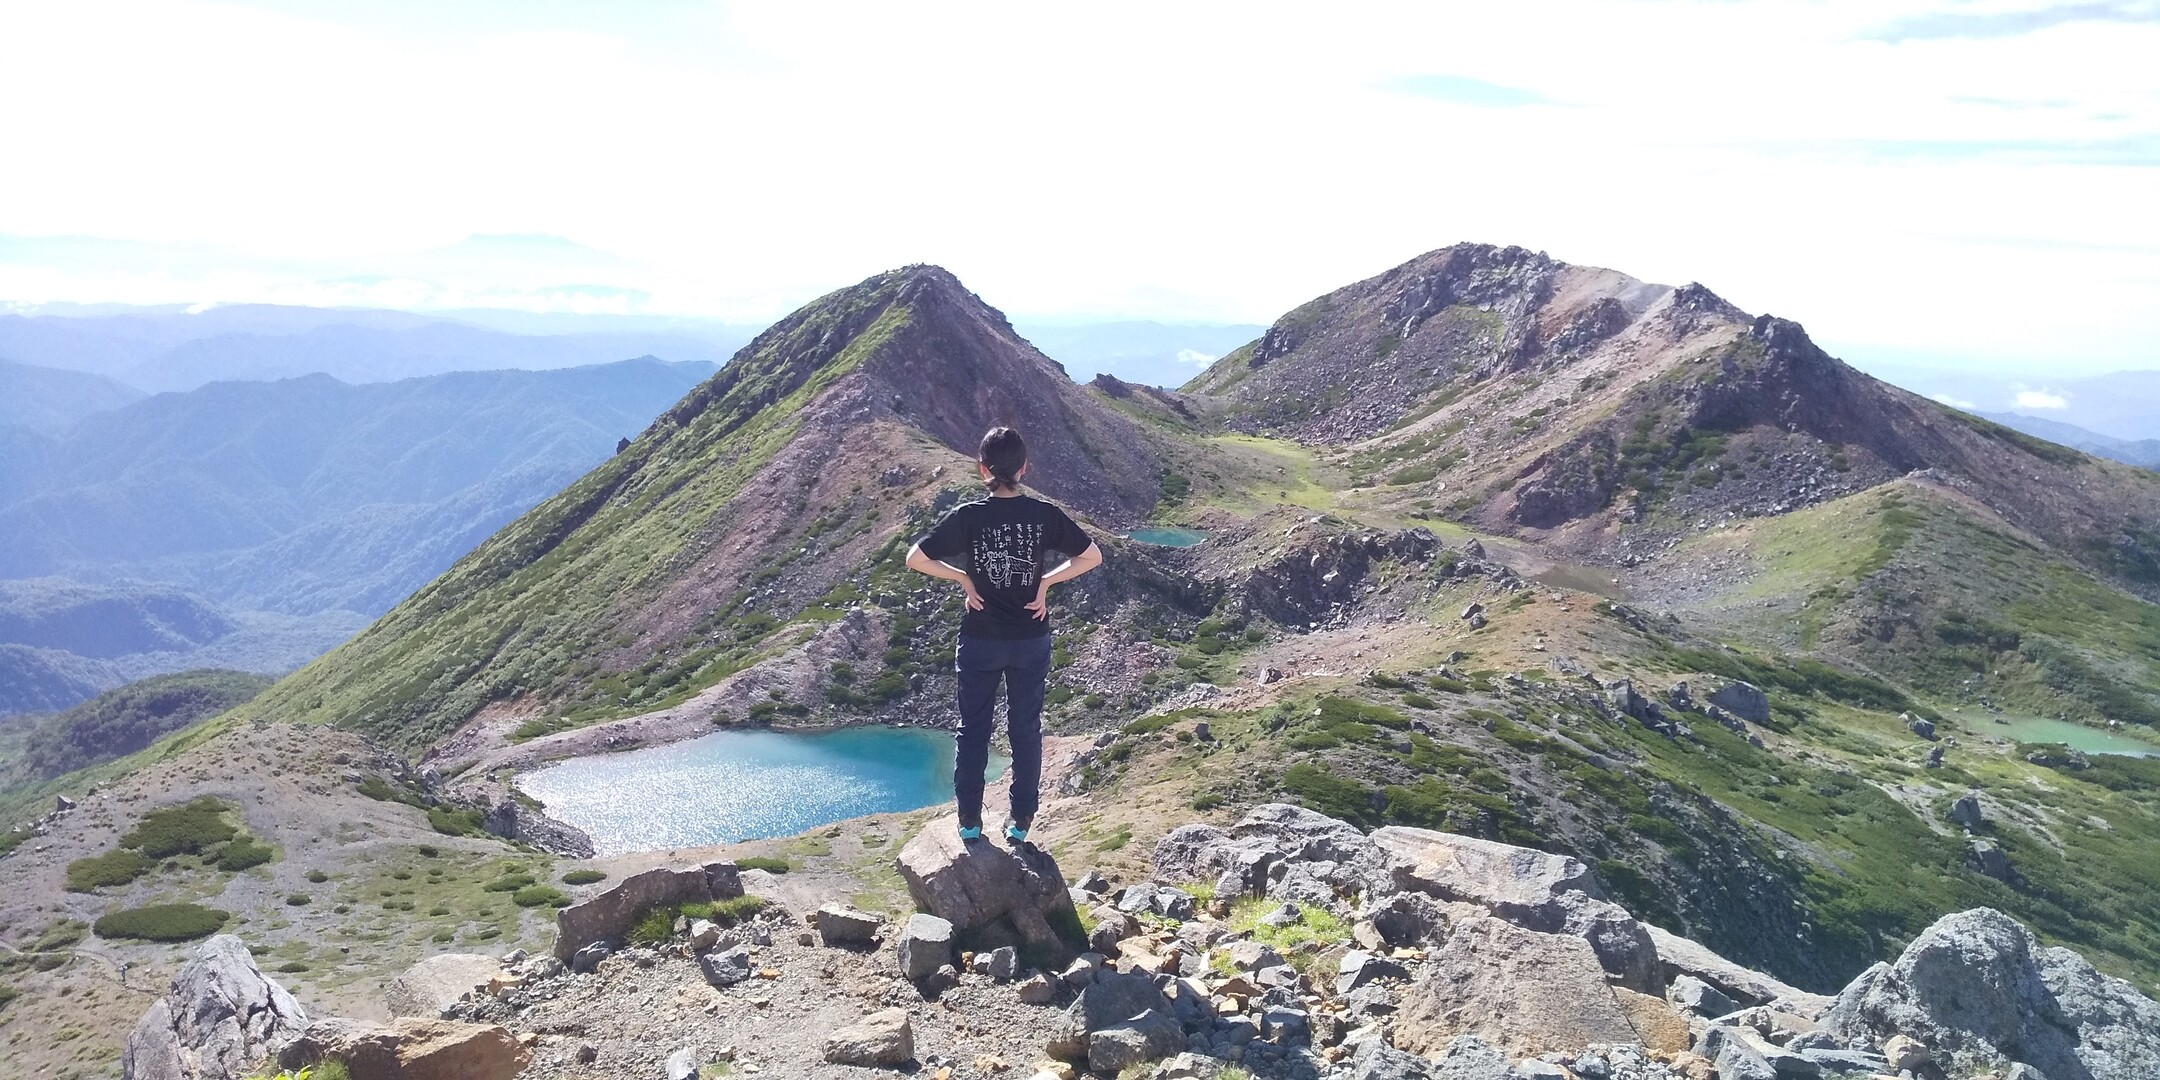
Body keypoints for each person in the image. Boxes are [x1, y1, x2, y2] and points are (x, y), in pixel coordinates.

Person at [907, 426, 1102, 843]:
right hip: (1031, 638)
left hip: (980, 639)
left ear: (983, 469)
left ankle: (970, 824)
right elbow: (1091, 555)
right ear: (1024, 468)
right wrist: (1046, 583)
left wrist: (964, 579)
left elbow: (916, 559)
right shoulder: (1044, 515)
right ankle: (1019, 825)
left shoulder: (969, 516)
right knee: (1025, 730)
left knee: (973, 730)